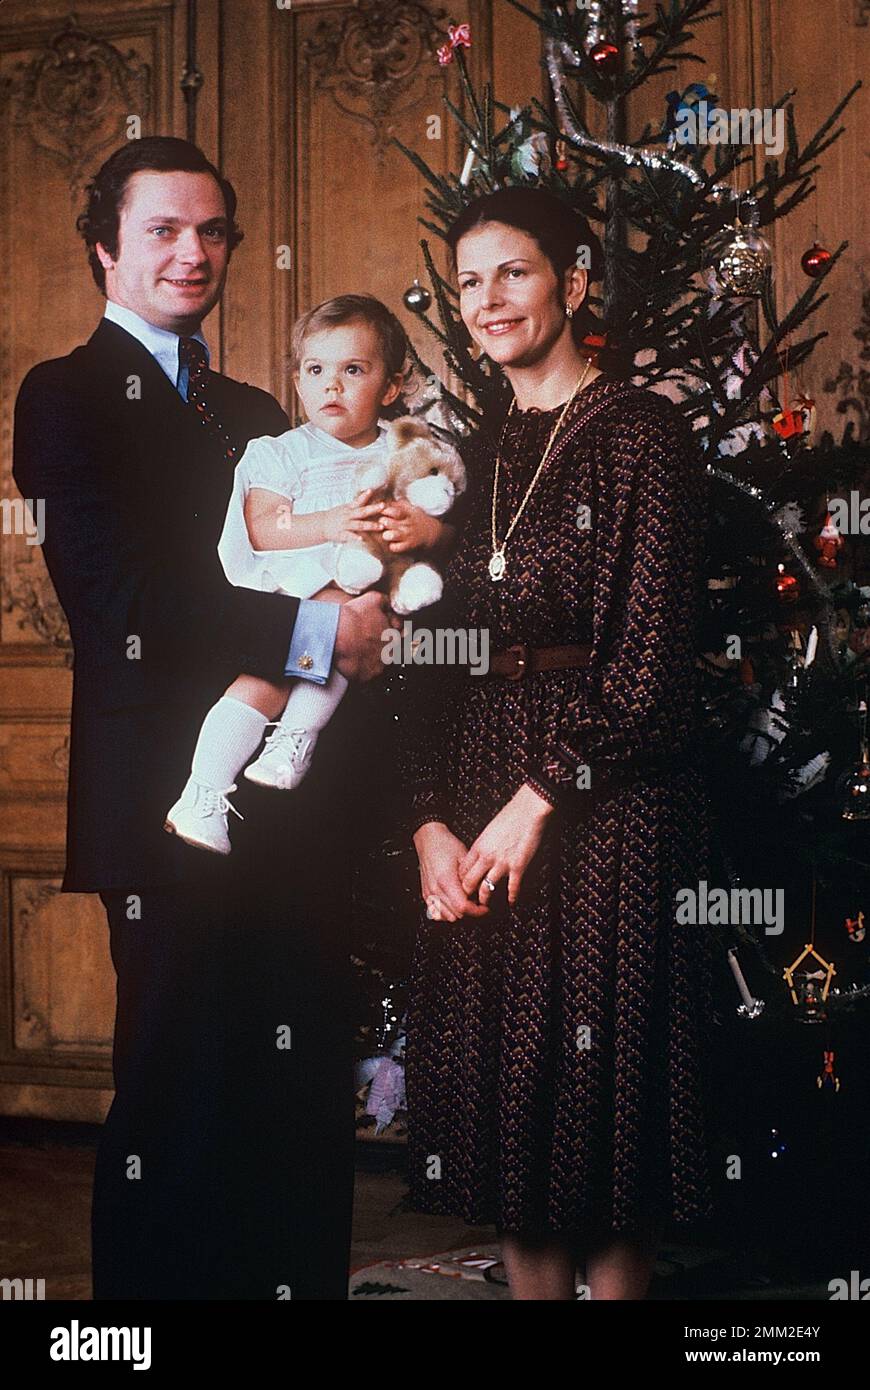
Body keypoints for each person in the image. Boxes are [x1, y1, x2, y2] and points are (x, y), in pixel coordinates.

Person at [12, 137, 397, 1300]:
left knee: (295, 1100)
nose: (193, 252)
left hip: (294, 805)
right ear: (105, 249)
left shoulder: (259, 408)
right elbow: (123, 598)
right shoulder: (64, 395)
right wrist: (320, 638)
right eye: (163, 231)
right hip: (163, 817)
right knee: (179, 1098)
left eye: (212, 230)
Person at [402, 187, 716, 1300]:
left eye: (516, 273)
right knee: (511, 1120)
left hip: (605, 808)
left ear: (574, 282)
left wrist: (534, 803)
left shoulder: (641, 435)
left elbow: (652, 676)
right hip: (482, 783)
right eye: (471, 278)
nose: (489, 299)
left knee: (603, 1131)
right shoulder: (476, 454)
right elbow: (428, 653)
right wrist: (434, 820)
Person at [165, 294, 451, 852]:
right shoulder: (279, 452)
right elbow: (265, 528)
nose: (332, 387)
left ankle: (292, 742)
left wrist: (425, 532)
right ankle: (201, 793)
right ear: (297, 382)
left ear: (390, 388)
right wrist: (333, 522)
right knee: (268, 680)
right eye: (317, 371)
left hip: (368, 602)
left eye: (353, 370)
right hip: (292, 593)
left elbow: (442, 513)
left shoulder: (404, 449)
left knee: (345, 642)